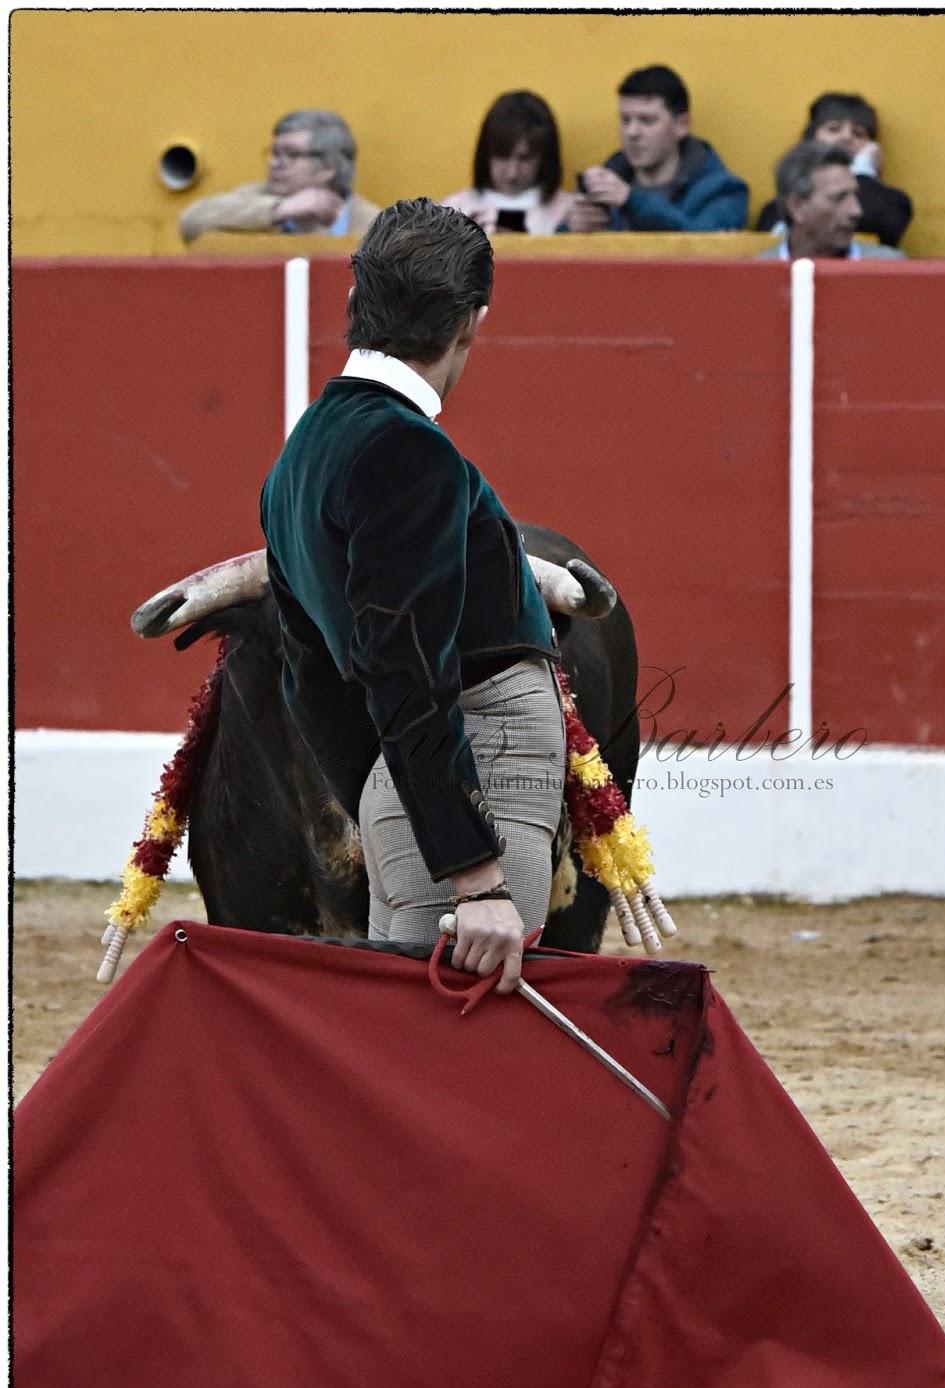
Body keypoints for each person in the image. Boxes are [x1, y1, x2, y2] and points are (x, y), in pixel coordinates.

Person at [259, 199, 564, 994]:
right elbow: (406, 664)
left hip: (414, 785)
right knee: (477, 1050)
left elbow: (310, 676)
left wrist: (386, 804)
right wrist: (472, 872)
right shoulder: (405, 450)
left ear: (358, 306)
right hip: (483, 767)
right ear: (471, 323)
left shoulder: (300, 456)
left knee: (410, 1050)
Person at [565, 65, 748, 233]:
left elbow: (702, 246)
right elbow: (552, 256)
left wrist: (632, 200)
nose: (632, 132)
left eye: (647, 120)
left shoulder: (724, 191)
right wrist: (571, 229)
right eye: (625, 120)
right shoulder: (601, 186)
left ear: (682, 125)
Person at [178, 110, 380, 244]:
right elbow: (190, 222)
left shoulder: (372, 223)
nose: (274, 163)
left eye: (291, 154)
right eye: (274, 153)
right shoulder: (255, 196)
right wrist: (278, 210)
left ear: (329, 166)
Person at [755, 93, 912, 248]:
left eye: (858, 133)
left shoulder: (892, 202)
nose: (846, 137)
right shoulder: (775, 209)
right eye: (833, 129)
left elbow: (880, 219)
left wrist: (863, 172)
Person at [440, 91, 574, 235]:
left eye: (524, 159)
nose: (512, 172)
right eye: (502, 157)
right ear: (485, 155)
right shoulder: (450, 213)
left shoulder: (572, 214)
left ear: (545, 158)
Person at [756, 142, 905, 260]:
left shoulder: (892, 270)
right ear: (797, 207)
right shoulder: (755, 278)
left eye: (855, 196)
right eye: (839, 198)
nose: (856, 211)